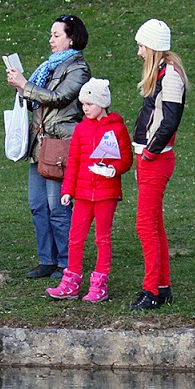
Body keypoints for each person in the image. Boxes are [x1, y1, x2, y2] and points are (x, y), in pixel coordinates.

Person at [6, 14, 91, 280]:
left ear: (71, 39)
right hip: (39, 145)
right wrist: (22, 87)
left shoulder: (79, 69)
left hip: (59, 146)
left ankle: (66, 262)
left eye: (56, 35)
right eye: (51, 35)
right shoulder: (49, 67)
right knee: (38, 205)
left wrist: (25, 85)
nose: (51, 40)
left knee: (58, 207)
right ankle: (47, 259)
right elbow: (38, 101)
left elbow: (59, 97)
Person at [47, 77, 132, 303]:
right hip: (83, 194)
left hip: (106, 193)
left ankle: (99, 284)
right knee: (75, 238)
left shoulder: (117, 128)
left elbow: (126, 158)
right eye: (83, 104)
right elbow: (73, 162)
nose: (85, 108)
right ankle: (71, 282)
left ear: (102, 103)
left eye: (89, 104)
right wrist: (68, 190)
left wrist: (113, 170)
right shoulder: (81, 130)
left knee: (102, 238)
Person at [129, 19, 187, 309]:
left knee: (145, 225)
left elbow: (170, 121)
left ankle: (151, 290)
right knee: (154, 224)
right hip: (150, 156)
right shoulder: (163, 73)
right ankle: (162, 287)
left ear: (152, 47)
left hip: (156, 158)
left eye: (142, 46)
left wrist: (150, 152)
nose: (139, 52)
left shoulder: (170, 75)